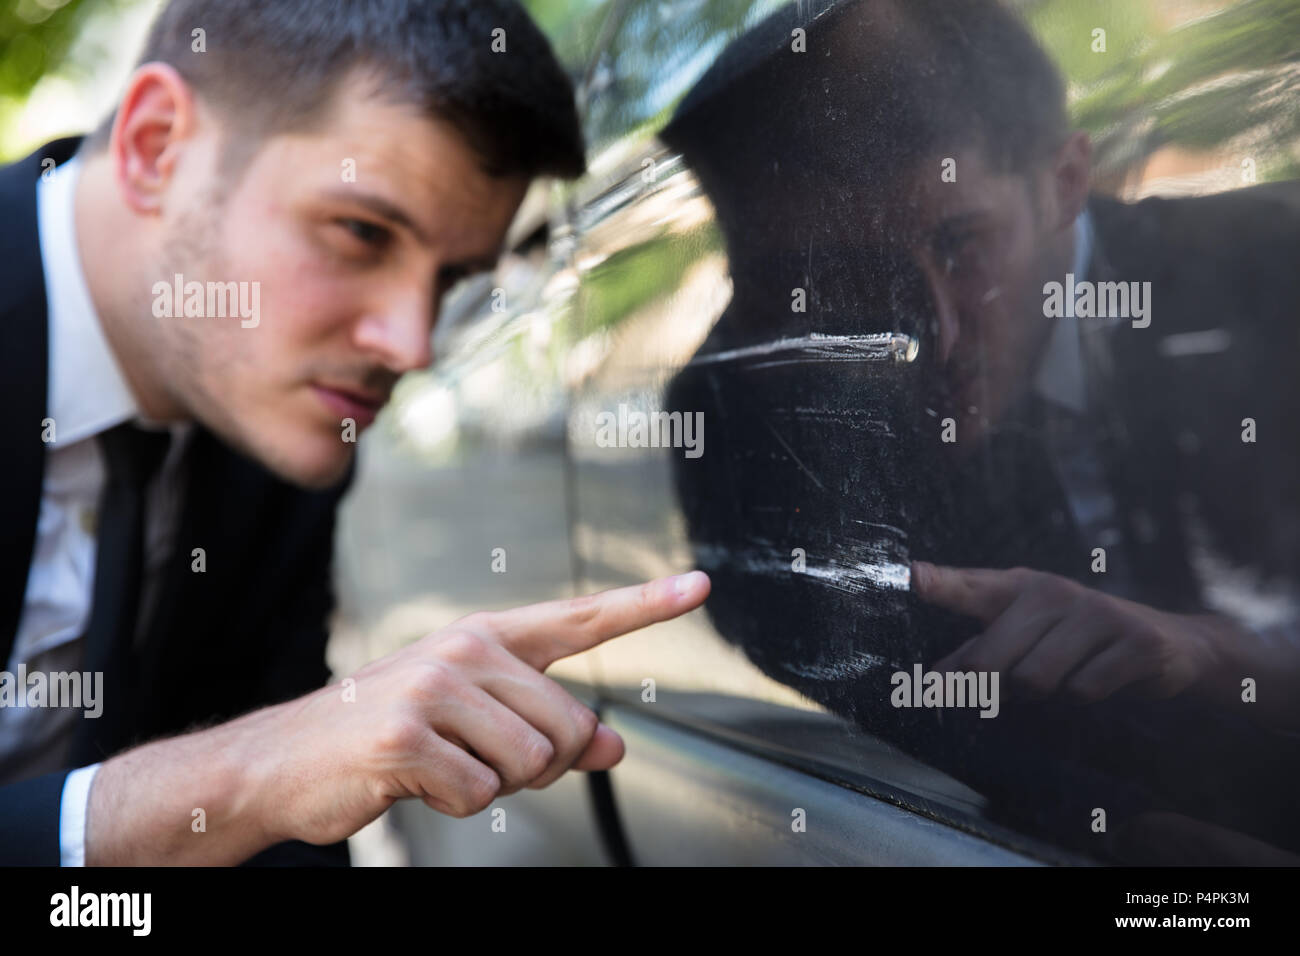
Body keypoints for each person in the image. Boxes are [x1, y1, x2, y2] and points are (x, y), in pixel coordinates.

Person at [0, 0, 711, 866]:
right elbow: (252, 791)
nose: (410, 344)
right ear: (157, 147)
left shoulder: (274, 421)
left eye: (451, 276)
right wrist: (240, 774)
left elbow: (282, 842)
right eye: (362, 233)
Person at [663, 0, 1300, 862]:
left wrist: (1222, 656)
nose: (932, 338)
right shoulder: (745, 417)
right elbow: (885, 698)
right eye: (849, 276)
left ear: (1066, 184)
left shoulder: (1270, 276)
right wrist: (1126, 832)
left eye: (960, 245)